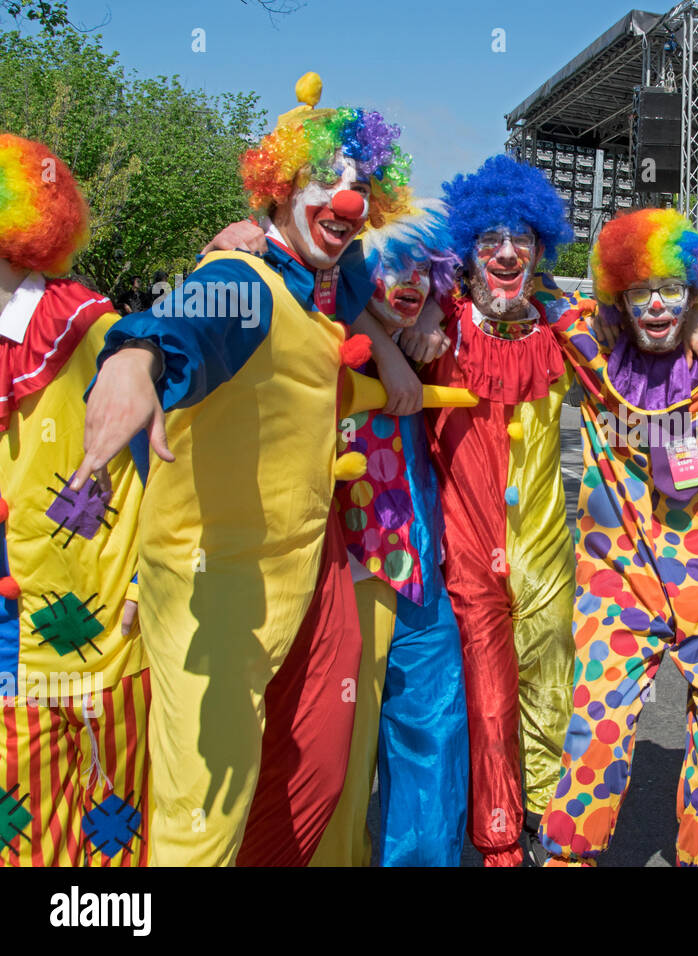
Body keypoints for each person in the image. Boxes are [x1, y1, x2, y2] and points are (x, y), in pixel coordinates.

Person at [75, 73, 411, 865]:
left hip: (303, 572)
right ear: (279, 189)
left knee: (318, 770)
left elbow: (358, 295)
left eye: (362, 187)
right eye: (327, 181)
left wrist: (396, 343)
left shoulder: (324, 284)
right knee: (205, 811)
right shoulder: (244, 281)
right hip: (211, 590)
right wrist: (135, 359)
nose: (350, 201)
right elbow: (186, 320)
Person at [538, 208, 698, 866]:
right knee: (594, 743)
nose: (658, 305)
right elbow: (512, 271)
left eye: (673, 288)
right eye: (641, 290)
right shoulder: (591, 344)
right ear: (618, 294)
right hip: (620, 593)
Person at [421, 154, 577, 866]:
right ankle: (497, 833)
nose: (508, 252)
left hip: (545, 547)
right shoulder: (437, 322)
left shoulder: (561, 329)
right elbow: (357, 283)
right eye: (490, 239)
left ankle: (549, 814)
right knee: (488, 692)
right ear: (468, 252)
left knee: (550, 673)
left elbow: (650, 323)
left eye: (522, 237)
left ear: (542, 247)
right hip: (467, 539)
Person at [0, 134, 149, 866]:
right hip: (7, 640)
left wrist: (158, 572)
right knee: (13, 824)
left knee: (108, 824)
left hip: (94, 624)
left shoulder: (87, 328)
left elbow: (166, 462)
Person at [309, 202, 470, 866]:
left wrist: (434, 311)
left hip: (418, 570)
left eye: (421, 271)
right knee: (335, 742)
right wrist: (374, 343)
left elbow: (509, 290)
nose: (409, 283)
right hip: (340, 574)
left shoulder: (428, 328)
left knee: (430, 726)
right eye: (390, 267)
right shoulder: (318, 326)